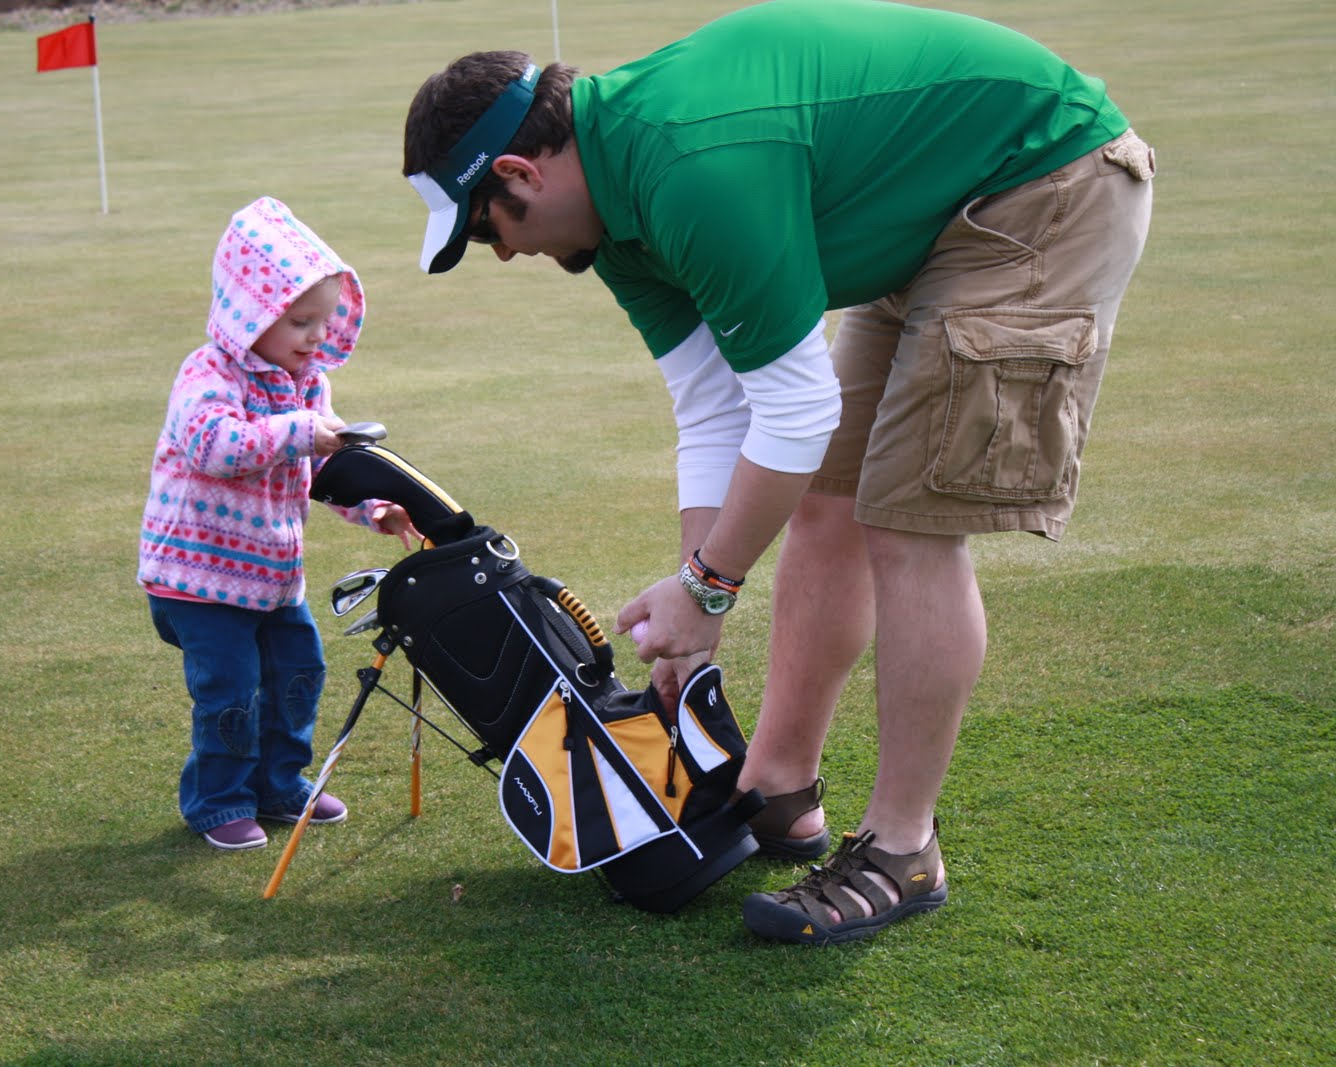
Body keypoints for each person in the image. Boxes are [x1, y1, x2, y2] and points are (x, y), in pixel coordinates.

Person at [402, 0, 1153, 942]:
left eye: (489, 230)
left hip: (1042, 181)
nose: (505, 253)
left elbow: (794, 415)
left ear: (520, 172)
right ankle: (777, 783)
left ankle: (902, 848)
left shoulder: (685, 165)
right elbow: (715, 405)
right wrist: (691, 613)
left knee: (907, 520)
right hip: (934, 216)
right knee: (828, 502)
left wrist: (707, 589)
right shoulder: (614, 226)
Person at [138, 196, 419, 852]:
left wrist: (373, 508)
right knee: (231, 690)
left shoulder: (303, 384)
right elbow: (215, 444)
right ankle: (219, 799)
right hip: (198, 578)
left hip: (269, 575)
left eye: (323, 321)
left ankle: (279, 781)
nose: (316, 336)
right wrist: (300, 433)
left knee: (300, 669)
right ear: (250, 312)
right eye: (299, 320)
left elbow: (321, 468)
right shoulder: (208, 373)